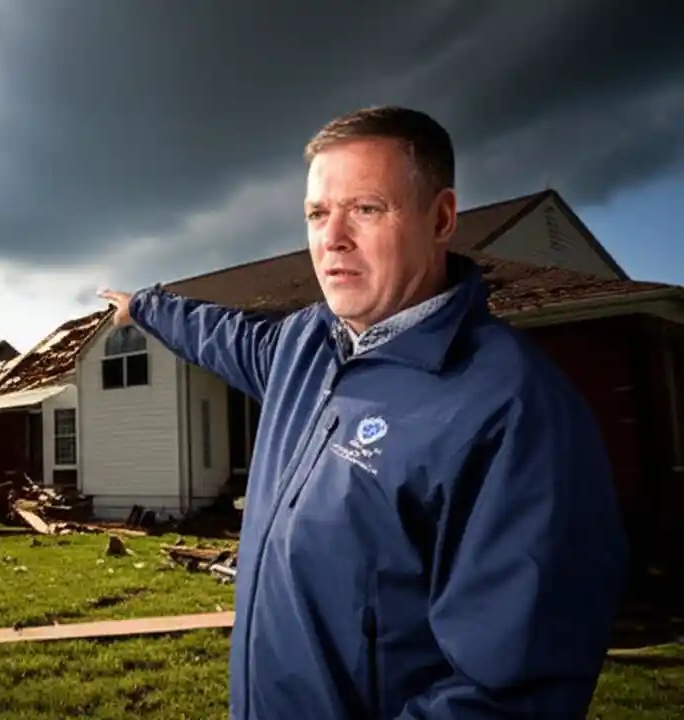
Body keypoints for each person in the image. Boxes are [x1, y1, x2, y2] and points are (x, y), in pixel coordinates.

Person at [99, 106, 628, 719]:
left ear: (442, 218)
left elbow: (507, 695)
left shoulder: (513, 410)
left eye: (366, 209)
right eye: (318, 214)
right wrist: (145, 307)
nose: (333, 238)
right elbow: (218, 332)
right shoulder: (302, 345)